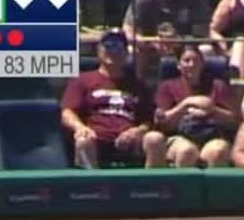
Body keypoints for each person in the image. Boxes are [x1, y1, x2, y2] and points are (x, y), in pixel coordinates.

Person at [61, 31, 167, 170]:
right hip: (97, 139)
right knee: (83, 141)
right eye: (109, 47)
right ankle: (95, 188)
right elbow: (67, 112)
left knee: (155, 139)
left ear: (126, 54)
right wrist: (80, 127)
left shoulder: (137, 85)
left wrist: (137, 131)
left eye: (119, 47)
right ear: (99, 52)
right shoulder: (83, 80)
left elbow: (148, 120)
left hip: (130, 140)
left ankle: (149, 189)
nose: (114, 52)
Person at [122, 0, 212, 80]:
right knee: (132, 51)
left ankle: (197, 90)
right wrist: (152, 41)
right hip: (151, 46)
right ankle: (137, 91)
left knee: (206, 50)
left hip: (186, 46)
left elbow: (202, 34)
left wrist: (177, 41)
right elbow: (128, 30)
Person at [155, 43, 238, 168]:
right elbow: (163, 122)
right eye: (186, 61)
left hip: (212, 137)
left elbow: (235, 119)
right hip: (179, 137)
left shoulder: (217, 86)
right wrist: (185, 105)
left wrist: (213, 111)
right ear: (179, 65)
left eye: (196, 60)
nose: (192, 65)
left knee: (218, 152)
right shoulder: (167, 86)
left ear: (203, 64)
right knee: (186, 152)